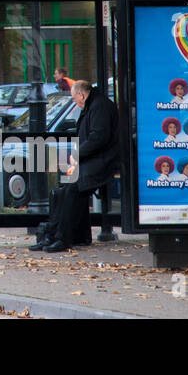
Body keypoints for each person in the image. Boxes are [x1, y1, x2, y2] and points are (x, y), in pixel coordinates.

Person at [38, 80, 118, 253]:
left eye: (75, 99)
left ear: (82, 94)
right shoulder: (93, 105)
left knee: (73, 190)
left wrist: (77, 155)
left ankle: (63, 238)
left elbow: (98, 138)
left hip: (103, 161)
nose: (75, 102)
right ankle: (55, 235)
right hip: (93, 160)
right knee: (65, 188)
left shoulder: (99, 107)